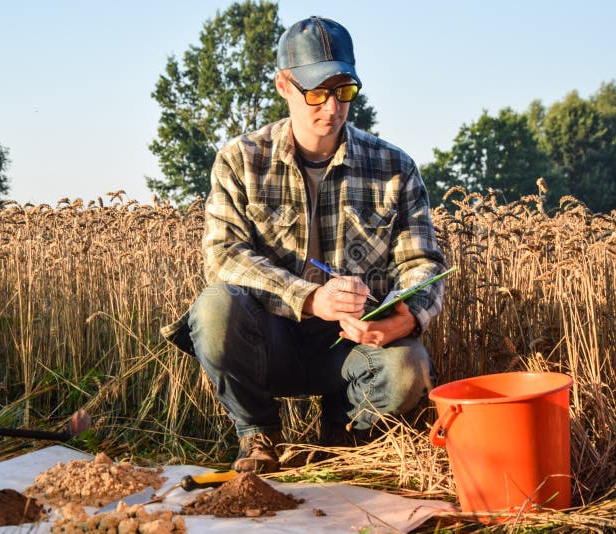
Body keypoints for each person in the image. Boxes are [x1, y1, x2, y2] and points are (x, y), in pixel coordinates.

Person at [161, 15, 447, 474]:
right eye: (315, 92)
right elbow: (223, 256)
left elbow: (423, 261)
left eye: (343, 91)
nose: (331, 107)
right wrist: (310, 298)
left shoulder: (394, 166)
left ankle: (343, 432)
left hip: (350, 346)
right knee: (214, 309)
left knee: (408, 367)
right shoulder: (240, 160)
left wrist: (408, 316)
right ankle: (258, 435)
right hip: (268, 337)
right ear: (283, 85)